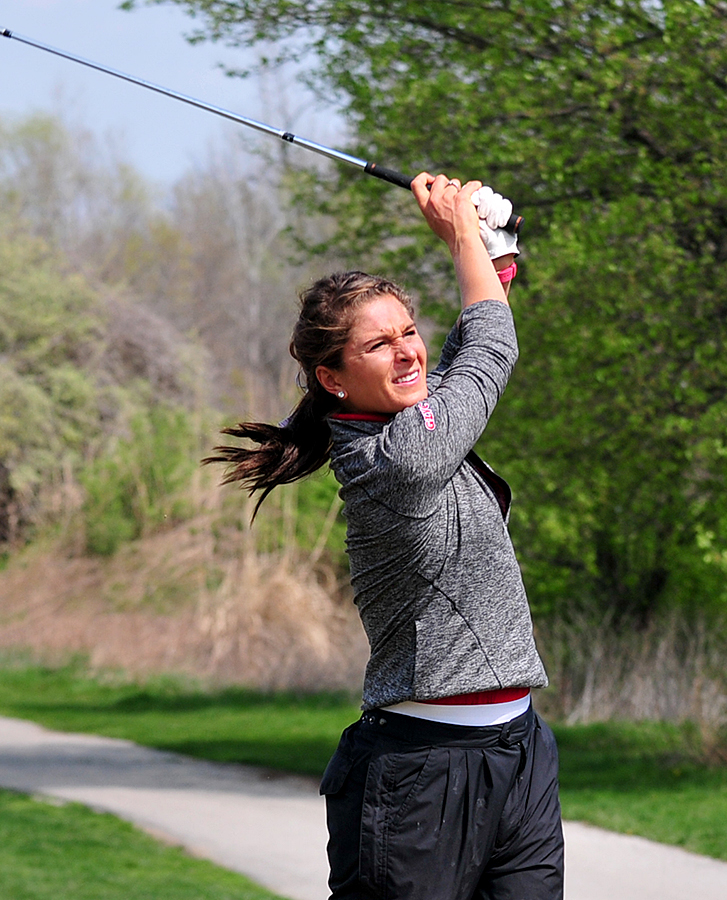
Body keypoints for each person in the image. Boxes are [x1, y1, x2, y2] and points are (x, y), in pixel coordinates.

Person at [208, 173, 563, 900]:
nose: (407, 353)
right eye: (379, 345)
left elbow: (470, 351)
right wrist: (463, 236)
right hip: (419, 775)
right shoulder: (393, 462)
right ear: (332, 378)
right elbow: (491, 356)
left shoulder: (418, 428)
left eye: (409, 331)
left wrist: (493, 259)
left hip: (519, 752)